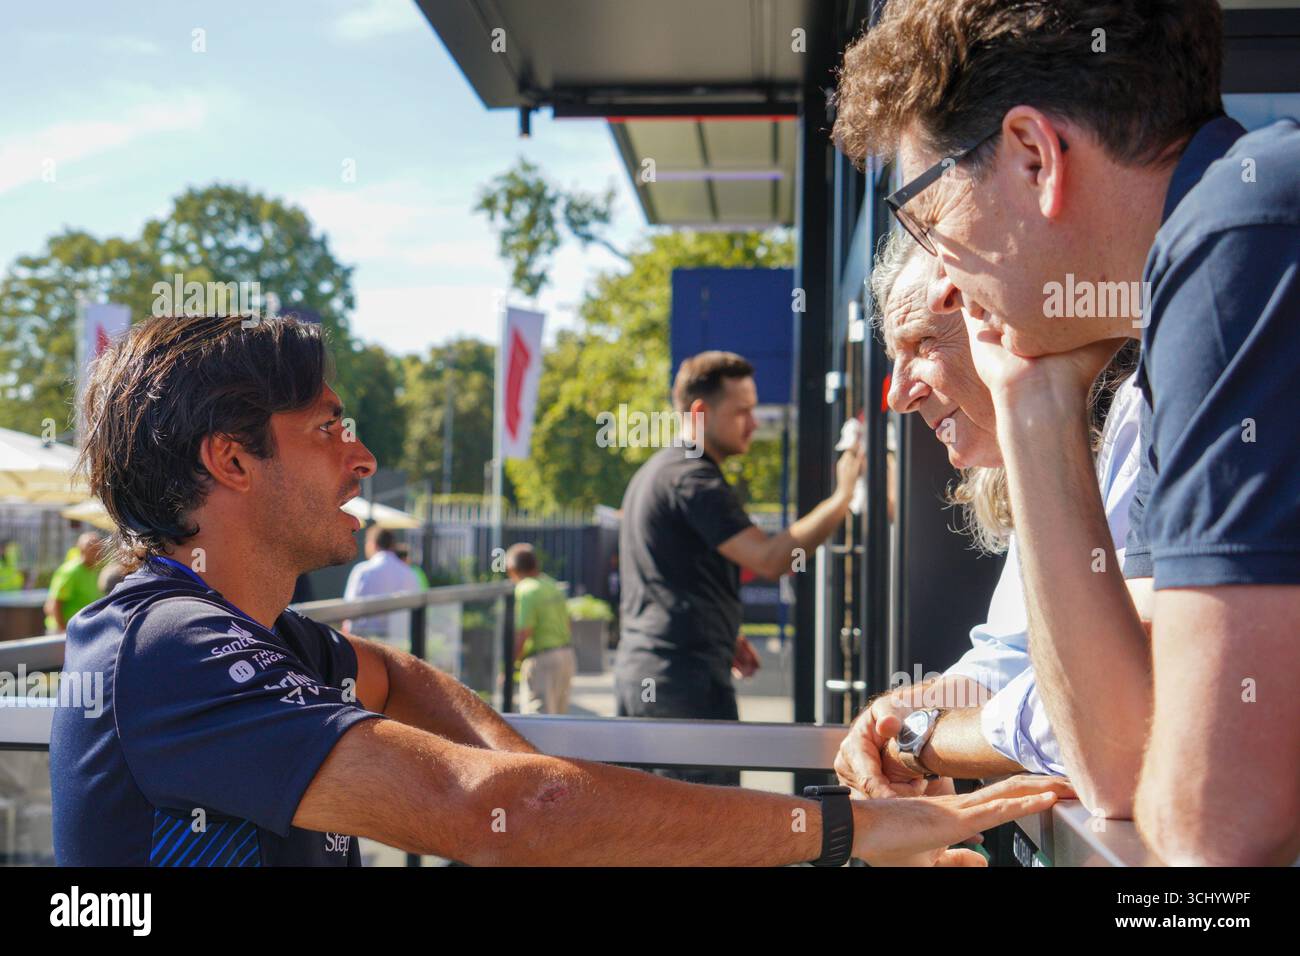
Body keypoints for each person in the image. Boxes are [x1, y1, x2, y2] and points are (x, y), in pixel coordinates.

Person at [50, 312, 1069, 866]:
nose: (362, 457)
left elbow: (397, 675)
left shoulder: (261, 633)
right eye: (328, 428)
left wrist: (531, 778)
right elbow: (494, 810)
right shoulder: (168, 642)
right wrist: (841, 830)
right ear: (230, 460)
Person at [833, 0, 1299, 864]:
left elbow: (1218, 823)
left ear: (1033, 157)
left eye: (925, 217)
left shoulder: (1237, 243)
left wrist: (937, 740)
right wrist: (1031, 395)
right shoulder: (1203, 275)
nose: (944, 275)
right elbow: (1120, 761)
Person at [834, 231, 1145, 799]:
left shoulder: (1141, 416)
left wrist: (925, 742)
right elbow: (1008, 654)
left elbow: (1109, 717)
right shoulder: (1039, 470)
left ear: (1005, 323)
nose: (898, 396)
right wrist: (899, 712)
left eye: (923, 342)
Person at [615, 351, 864, 787]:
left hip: (654, 674)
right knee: (705, 821)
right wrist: (842, 496)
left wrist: (724, 633)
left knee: (661, 818)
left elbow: (670, 579)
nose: (753, 423)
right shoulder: (693, 479)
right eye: (742, 412)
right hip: (680, 682)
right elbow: (769, 559)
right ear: (700, 413)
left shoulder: (661, 471)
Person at [505, 543, 575, 715]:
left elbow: (524, 633)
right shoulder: (551, 585)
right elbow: (568, 623)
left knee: (537, 719)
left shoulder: (526, 590)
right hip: (566, 655)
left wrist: (510, 665)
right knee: (559, 717)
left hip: (542, 660)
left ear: (513, 569)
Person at [342, 526, 420, 644]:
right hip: (401, 640)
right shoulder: (409, 572)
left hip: (366, 641)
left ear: (372, 544)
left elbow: (349, 608)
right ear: (392, 545)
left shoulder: (362, 570)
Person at [43, 532, 105, 633]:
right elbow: (54, 603)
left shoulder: (94, 571)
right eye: (93, 549)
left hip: (81, 630)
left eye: (99, 548)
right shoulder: (70, 571)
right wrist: (63, 630)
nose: (97, 553)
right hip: (64, 631)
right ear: (81, 550)